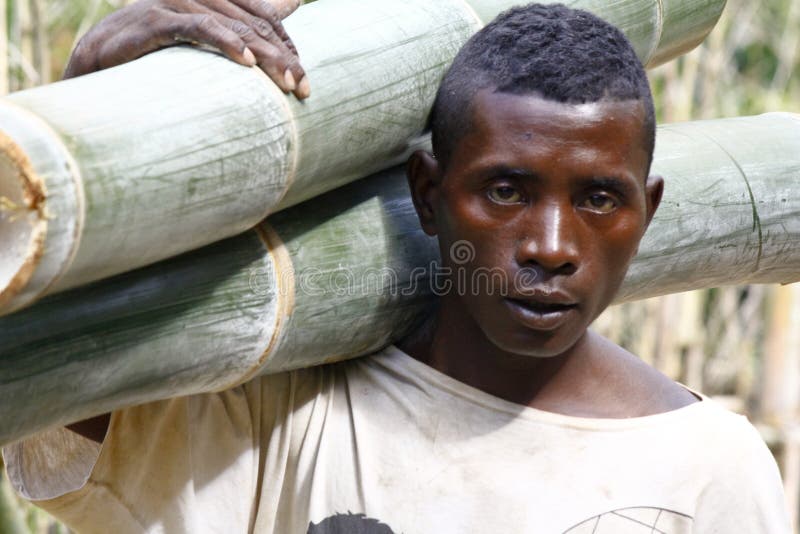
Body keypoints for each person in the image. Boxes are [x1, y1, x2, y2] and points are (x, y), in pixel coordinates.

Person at [3, 2, 791, 533]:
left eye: (598, 199)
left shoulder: (707, 473)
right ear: (428, 193)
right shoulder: (288, 413)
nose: (551, 244)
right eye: (506, 190)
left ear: (645, 212)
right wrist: (98, 106)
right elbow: (68, 388)